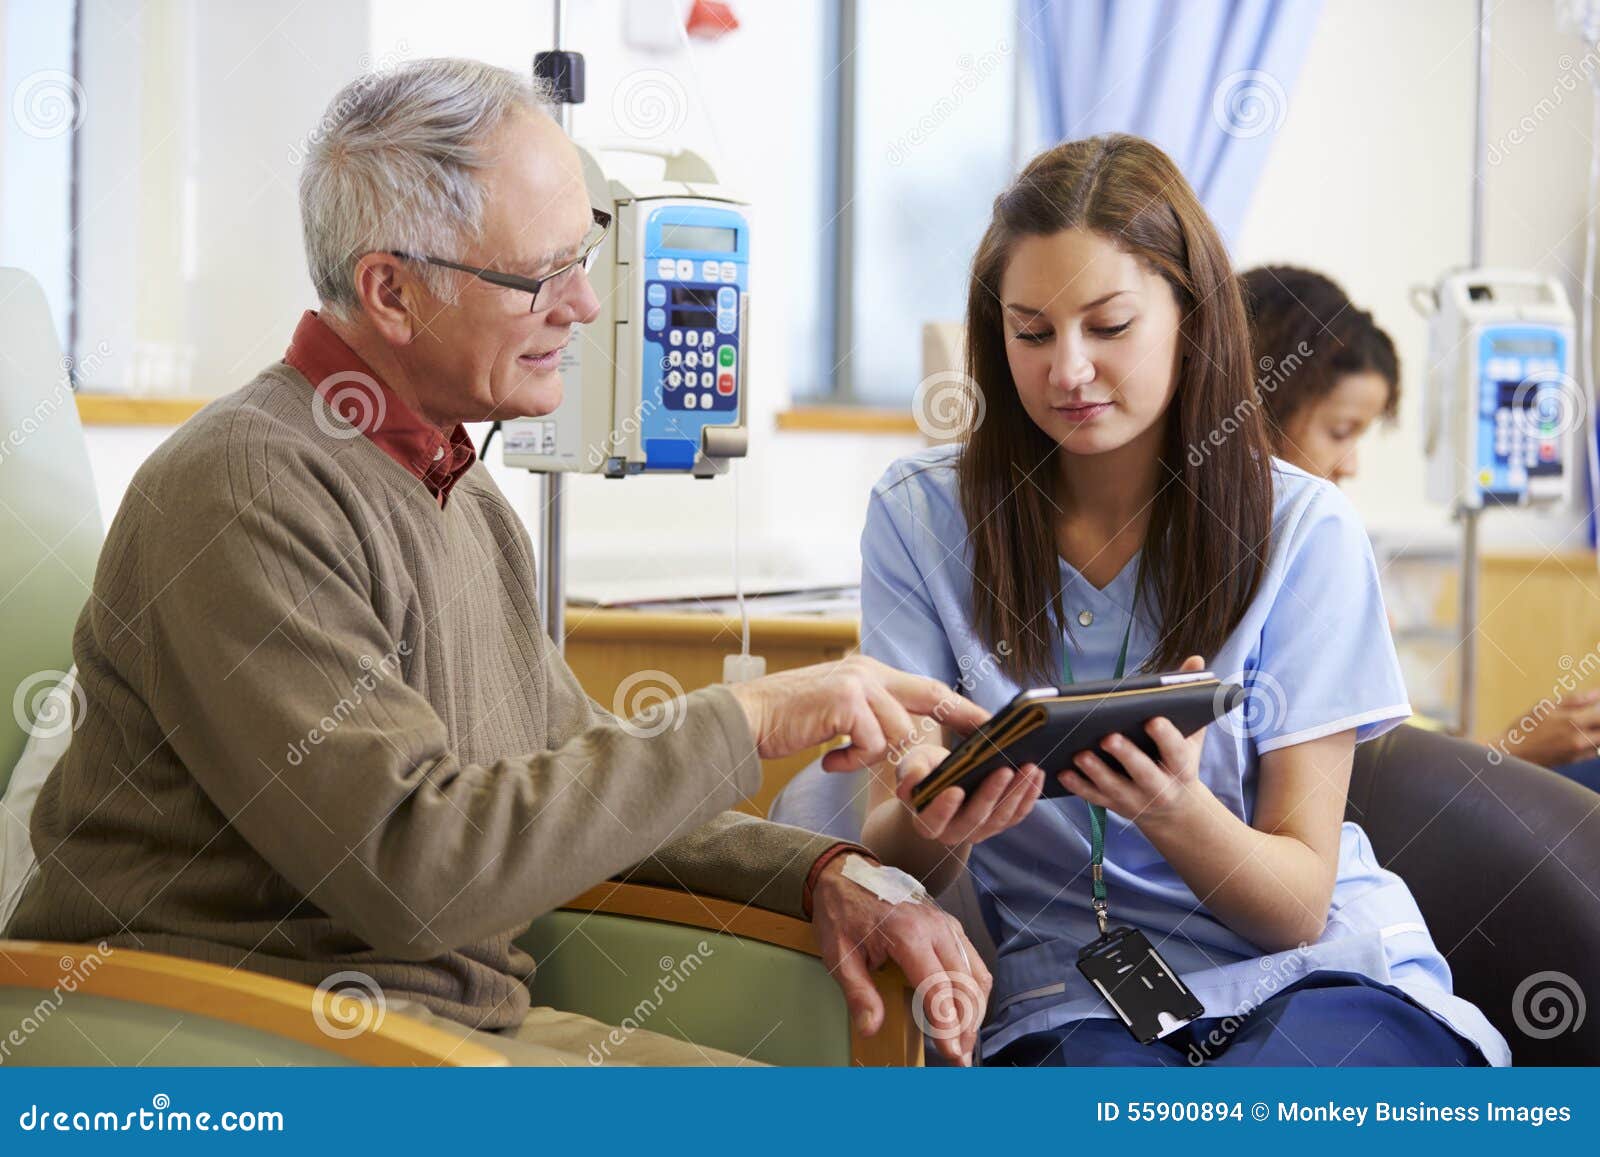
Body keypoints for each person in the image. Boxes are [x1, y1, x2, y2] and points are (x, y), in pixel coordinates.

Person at [3, 58, 995, 1068]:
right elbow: (414, 866)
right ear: (390, 291)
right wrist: (754, 717)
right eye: (538, 274)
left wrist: (825, 869)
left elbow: (567, 785)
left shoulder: (460, 491)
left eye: (586, 254)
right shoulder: (245, 490)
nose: (583, 305)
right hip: (235, 1031)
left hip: (438, 1029)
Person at [853, 134, 1509, 1066]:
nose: (1067, 370)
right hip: (1073, 994)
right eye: (1031, 332)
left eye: (1109, 327)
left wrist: (1174, 808)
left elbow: (1295, 906)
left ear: (1192, 317)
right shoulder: (918, 519)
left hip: (1316, 972)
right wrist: (932, 814)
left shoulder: (1306, 530)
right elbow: (895, 851)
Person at [1240, 264, 1600, 791]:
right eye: (1340, 432)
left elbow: (1382, 750)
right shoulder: (1268, 566)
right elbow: (1358, 795)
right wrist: (1511, 752)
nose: (1351, 465)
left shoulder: (1313, 552)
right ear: (1259, 410)